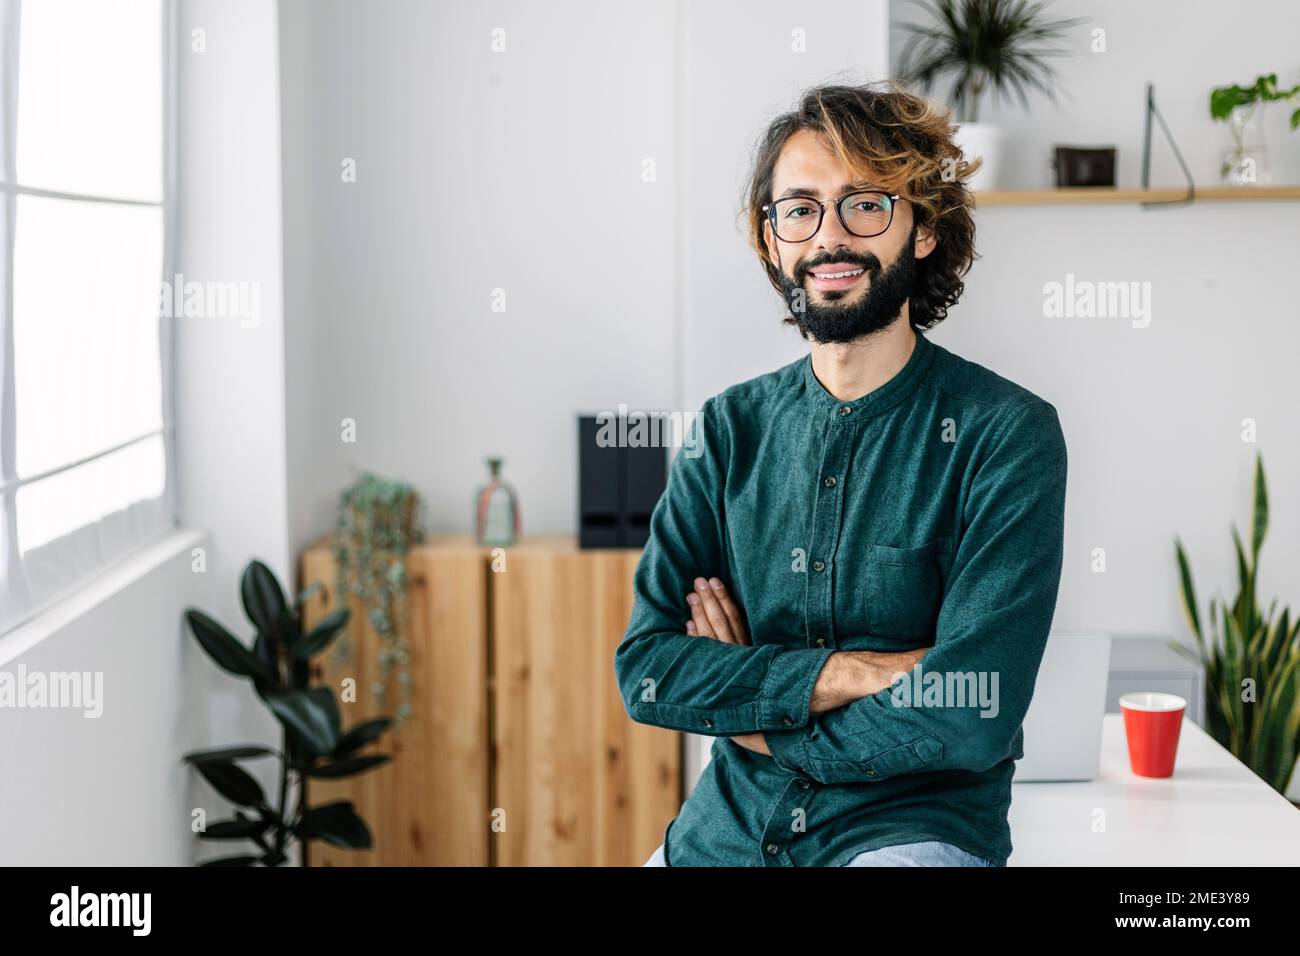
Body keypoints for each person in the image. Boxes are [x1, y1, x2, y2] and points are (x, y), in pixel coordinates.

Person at [614, 80, 1068, 867]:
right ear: (772, 240)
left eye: (866, 204)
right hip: (723, 834)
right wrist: (850, 673)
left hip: (907, 836)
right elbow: (649, 673)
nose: (830, 237)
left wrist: (747, 700)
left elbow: (971, 708)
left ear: (921, 230)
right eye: (800, 209)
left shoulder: (1007, 434)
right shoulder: (727, 432)